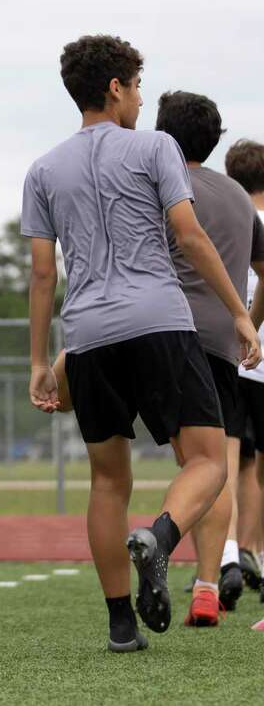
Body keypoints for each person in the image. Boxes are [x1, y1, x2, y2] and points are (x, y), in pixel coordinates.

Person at [21, 34, 259, 653]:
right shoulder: (157, 147)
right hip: (159, 321)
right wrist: (240, 312)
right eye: (137, 86)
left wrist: (41, 362)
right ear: (116, 88)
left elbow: (43, 274)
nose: (140, 99)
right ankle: (159, 534)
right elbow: (190, 235)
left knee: (107, 482)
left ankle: (120, 625)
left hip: (89, 335)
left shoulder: (43, 169)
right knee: (208, 460)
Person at [154, 91, 264, 624]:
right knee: (213, 465)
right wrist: (250, 321)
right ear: (215, 139)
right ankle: (205, 583)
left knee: (192, 465)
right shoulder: (242, 200)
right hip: (222, 343)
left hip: (162, 335)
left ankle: (160, 543)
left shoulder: (159, 186)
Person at [226, 138, 264, 597]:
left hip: (234, 358)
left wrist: (243, 331)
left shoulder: (232, 221)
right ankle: (255, 548)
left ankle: (230, 550)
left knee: (231, 459)